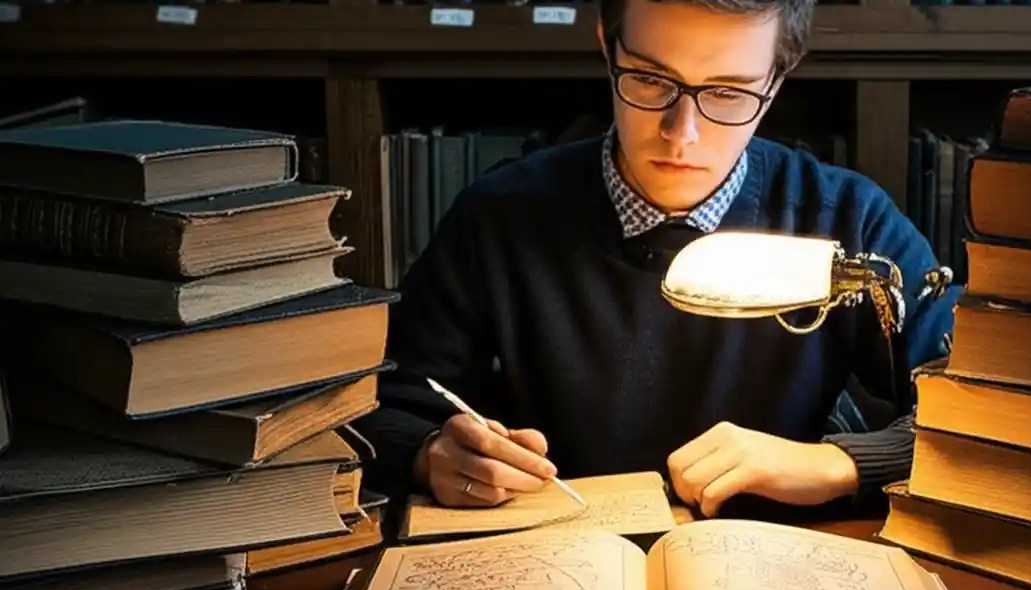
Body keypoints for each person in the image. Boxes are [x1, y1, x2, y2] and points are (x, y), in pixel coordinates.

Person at [353, 0, 958, 519]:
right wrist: (431, 452)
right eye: (648, 80)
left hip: (770, 568)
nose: (682, 132)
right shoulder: (499, 217)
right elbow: (375, 409)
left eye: (727, 92)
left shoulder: (848, 223)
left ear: (777, 77)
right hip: (556, 568)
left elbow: (986, 422)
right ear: (605, 46)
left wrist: (838, 463)